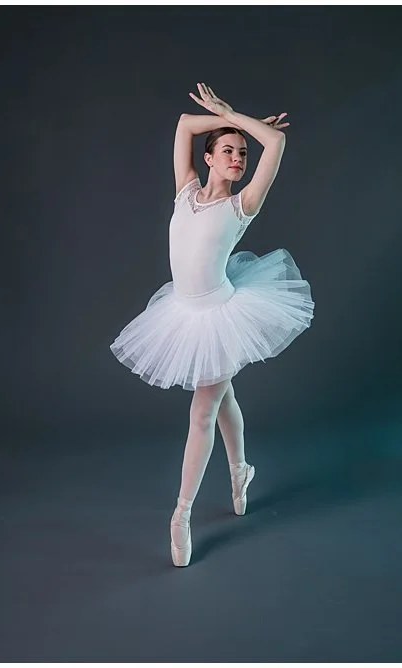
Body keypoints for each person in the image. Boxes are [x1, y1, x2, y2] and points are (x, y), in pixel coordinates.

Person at [110, 83, 312, 566]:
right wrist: (225, 117)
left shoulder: (241, 207)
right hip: (181, 312)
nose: (238, 158)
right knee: (224, 398)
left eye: (243, 152)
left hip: (219, 316)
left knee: (202, 412)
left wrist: (236, 117)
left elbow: (277, 144)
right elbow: (184, 124)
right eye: (228, 150)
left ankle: (181, 514)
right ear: (209, 157)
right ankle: (240, 470)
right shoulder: (184, 189)